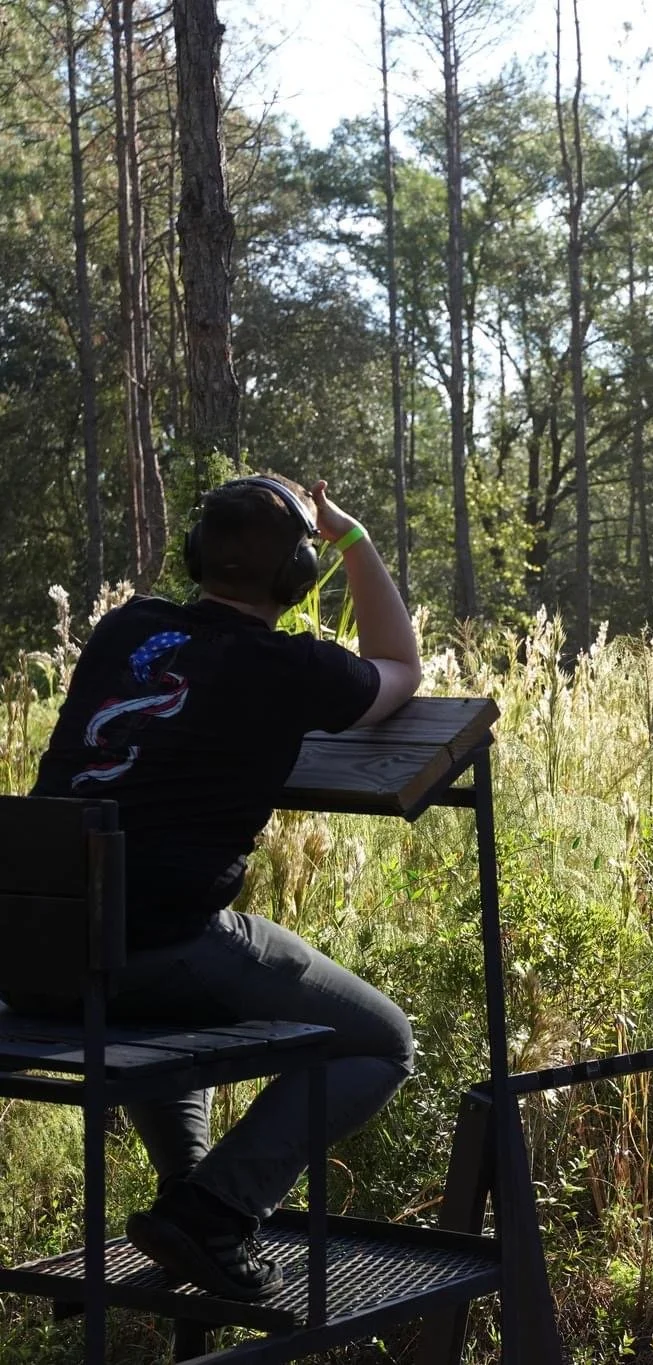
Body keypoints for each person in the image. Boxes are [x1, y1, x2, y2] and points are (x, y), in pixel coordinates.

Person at [0, 475, 422, 1301]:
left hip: (34, 957)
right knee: (383, 1041)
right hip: (148, 951)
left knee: (172, 955)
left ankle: (191, 1201)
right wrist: (354, 538)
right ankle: (215, 1211)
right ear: (297, 581)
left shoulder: (129, 627)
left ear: (195, 556)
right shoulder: (289, 665)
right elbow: (400, 664)